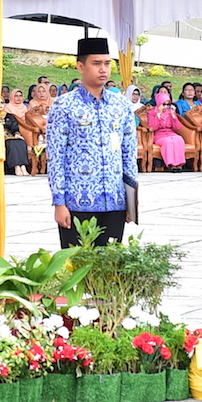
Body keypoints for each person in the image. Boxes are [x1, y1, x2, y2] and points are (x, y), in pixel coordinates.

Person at [45, 38, 138, 248]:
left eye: (107, 63)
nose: (103, 69)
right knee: (78, 267)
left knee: (110, 270)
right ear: (80, 66)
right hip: (77, 203)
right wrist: (59, 203)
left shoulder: (121, 105)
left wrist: (131, 204)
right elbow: (55, 158)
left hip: (115, 202)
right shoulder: (63, 105)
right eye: (96, 63)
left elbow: (129, 154)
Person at [148, 89, 188, 171]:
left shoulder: (170, 112)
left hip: (170, 133)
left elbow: (177, 127)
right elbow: (153, 127)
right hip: (159, 135)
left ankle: (179, 164)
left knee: (179, 139)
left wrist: (173, 115)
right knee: (168, 141)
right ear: (159, 103)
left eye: (168, 104)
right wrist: (158, 115)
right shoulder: (151, 113)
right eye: (164, 104)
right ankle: (171, 164)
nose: (166, 106)